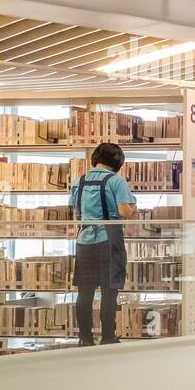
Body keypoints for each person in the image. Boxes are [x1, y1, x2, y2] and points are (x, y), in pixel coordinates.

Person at [69, 142, 137, 346]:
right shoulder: (116, 181)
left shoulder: (78, 181)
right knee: (109, 292)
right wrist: (133, 208)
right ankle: (108, 336)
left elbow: (75, 211)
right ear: (117, 162)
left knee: (85, 292)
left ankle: (85, 337)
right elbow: (124, 212)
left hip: (83, 241)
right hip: (108, 240)